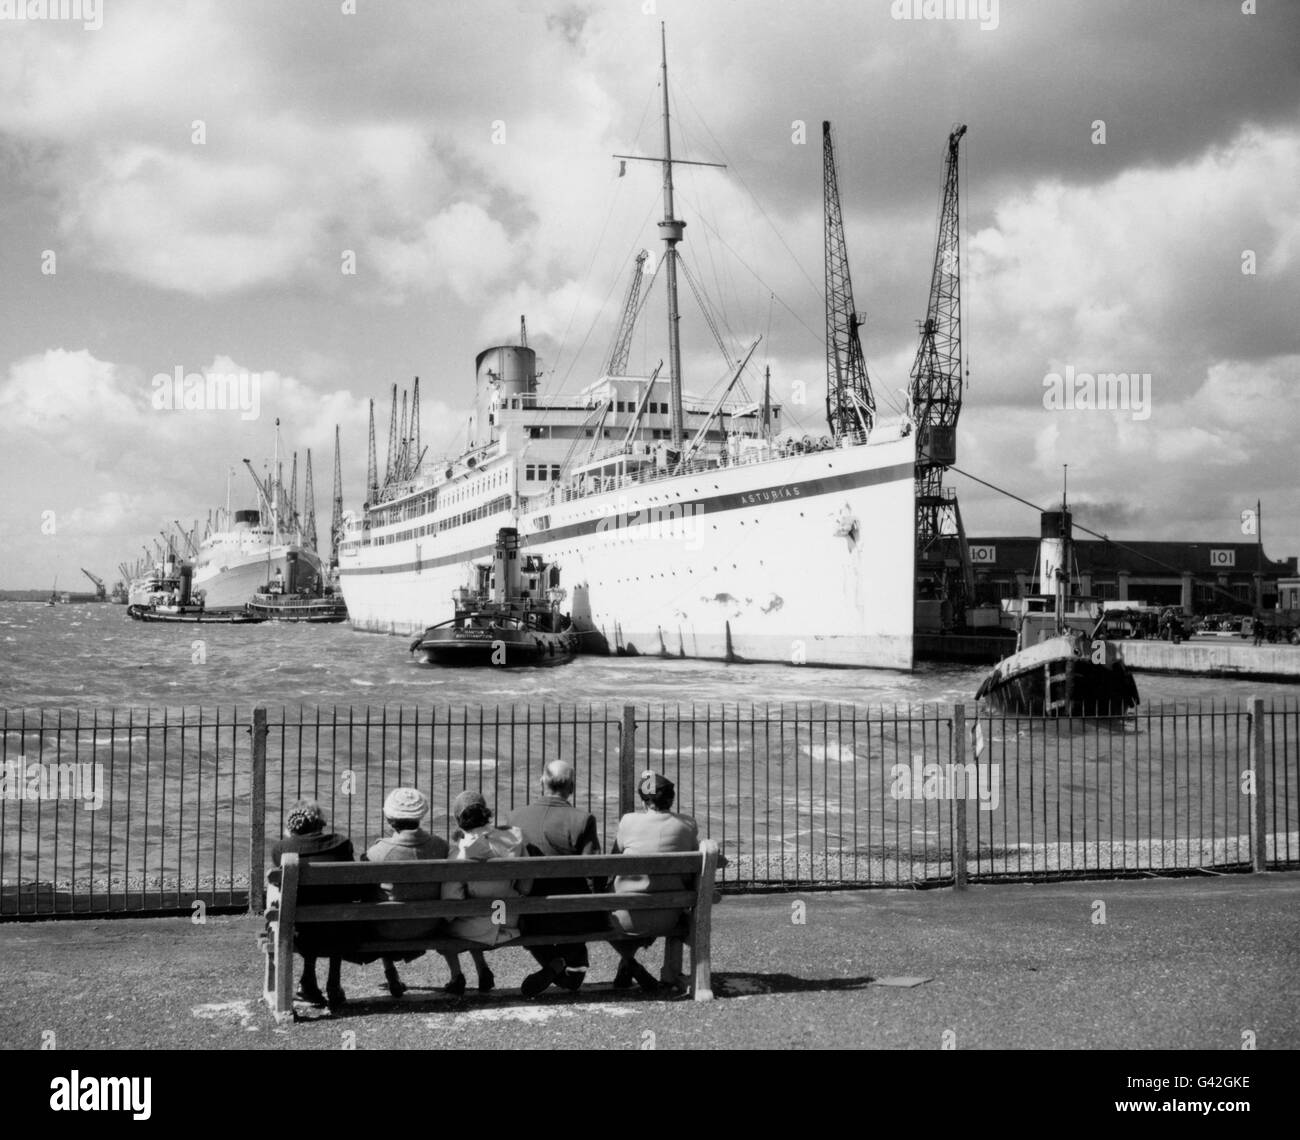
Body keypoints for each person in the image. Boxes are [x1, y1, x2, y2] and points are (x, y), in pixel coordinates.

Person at [504, 760, 602, 997]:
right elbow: (594, 875)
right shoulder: (582, 819)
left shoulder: (514, 817)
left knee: (538, 920)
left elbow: (508, 873)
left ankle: (555, 964)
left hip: (528, 917)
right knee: (577, 908)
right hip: (573, 918)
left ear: (541, 783)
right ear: (572, 787)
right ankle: (569, 972)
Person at [609, 771, 699, 995]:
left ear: (643, 800)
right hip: (670, 917)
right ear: (671, 799)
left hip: (625, 920)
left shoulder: (628, 821)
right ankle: (655, 971)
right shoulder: (687, 825)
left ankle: (630, 962)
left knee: (598, 911)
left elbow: (613, 860)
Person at [361, 787, 452, 998]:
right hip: (431, 926)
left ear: (389, 819)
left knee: (381, 903)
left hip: (389, 929)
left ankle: (390, 973)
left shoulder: (377, 853)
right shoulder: (441, 847)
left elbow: (367, 894)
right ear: (422, 815)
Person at [441, 790, 532, 993]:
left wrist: (446, 918)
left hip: (480, 927)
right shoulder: (514, 838)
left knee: (446, 923)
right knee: (485, 913)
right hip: (507, 919)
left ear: (458, 819)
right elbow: (525, 886)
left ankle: (456, 976)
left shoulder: (460, 851)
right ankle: (482, 970)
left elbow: (451, 900)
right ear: (486, 812)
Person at [269, 799, 355, 1007]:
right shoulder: (342, 843)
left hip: (300, 932)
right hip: (341, 930)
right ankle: (333, 983)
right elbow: (352, 888)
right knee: (334, 910)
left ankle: (309, 980)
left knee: (305, 914)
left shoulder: (282, 849)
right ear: (320, 823)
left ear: (291, 826)